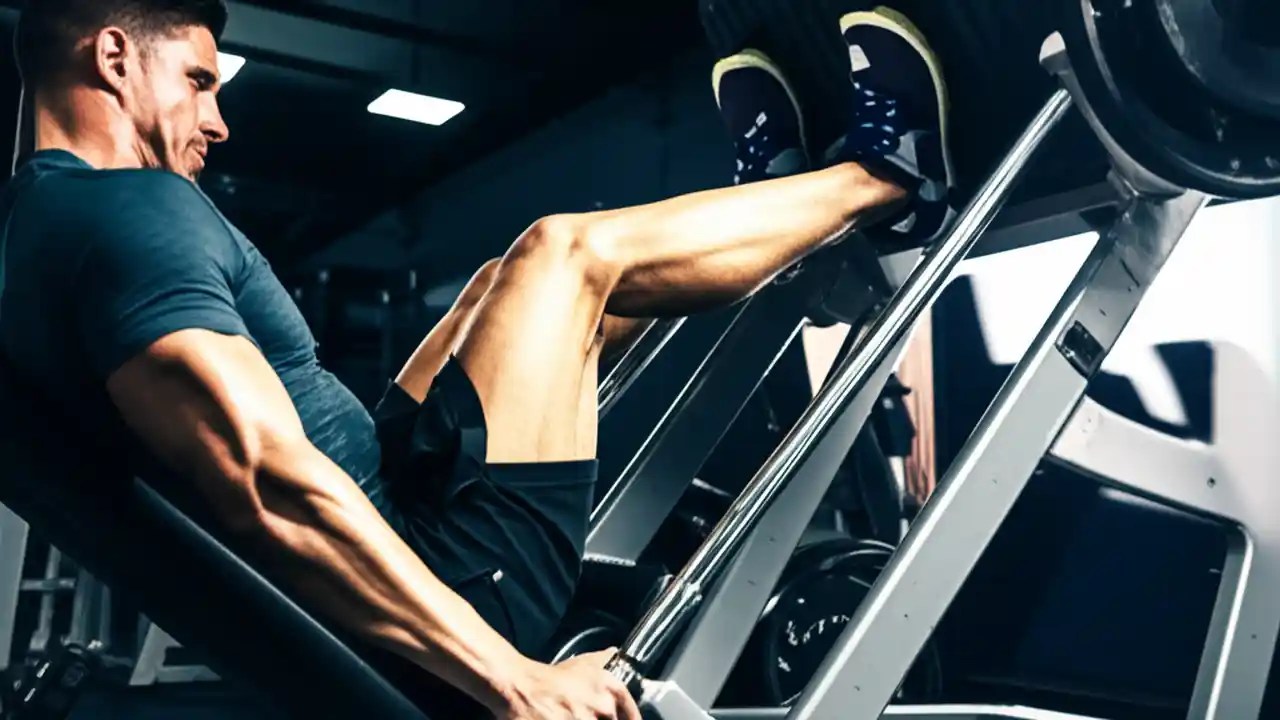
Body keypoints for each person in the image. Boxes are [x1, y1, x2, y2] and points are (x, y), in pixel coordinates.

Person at [0, 0, 951, 717]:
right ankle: (889, 176)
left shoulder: (44, 224)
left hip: (399, 497)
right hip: (459, 578)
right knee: (563, 256)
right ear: (113, 57)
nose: (219, 122)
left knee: (497, 283)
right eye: (201, 83)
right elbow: (268, 482)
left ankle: (783, 207)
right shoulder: (122, 217)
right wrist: (513, 681)